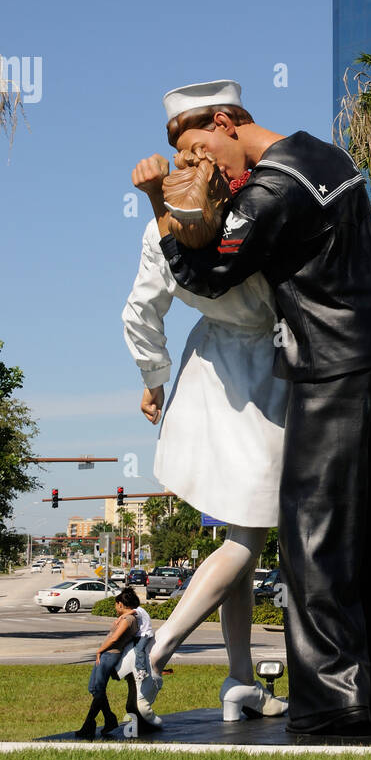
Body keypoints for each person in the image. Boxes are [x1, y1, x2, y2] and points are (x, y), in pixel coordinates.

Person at [132, 79, 371, 736]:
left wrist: (158, 205)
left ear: (228, 122)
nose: (196, 167)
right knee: (355, 534)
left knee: (311, 541)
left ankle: (332, 707)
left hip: (323, 367)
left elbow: (205, 272)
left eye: (199, 149)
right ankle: (352, 689)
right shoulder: (324, 156)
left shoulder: (271, 189)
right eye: (183, 159)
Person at [122, 142, 291, 723]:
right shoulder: (253, 220)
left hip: (209, 376)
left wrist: (154, 380)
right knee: (246, 538)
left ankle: (241, 679)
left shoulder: (158, 234)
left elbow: (140, 311)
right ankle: (157, 648)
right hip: (261, 382)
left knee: (245, 541)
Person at [75, 590, 140, 739]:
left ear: (120, 604)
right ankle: (109, 718)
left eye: (116, 605)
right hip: (107, 654)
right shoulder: (129, 617)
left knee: (98, 690)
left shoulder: (128, 620)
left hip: (109, 655)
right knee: (94, 688)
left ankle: (89, 724)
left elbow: (114, 638)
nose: (115, 608)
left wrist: (99, 650)